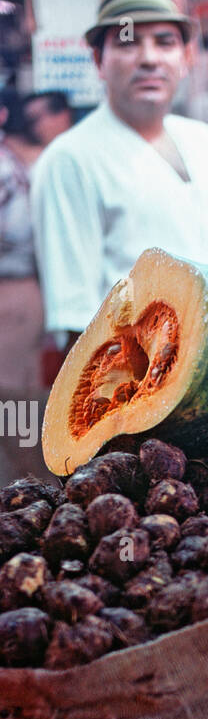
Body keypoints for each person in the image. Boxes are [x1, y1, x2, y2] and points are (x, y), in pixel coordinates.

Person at [31, 0, 208, 356]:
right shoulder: (69, 160)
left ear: (186, 56)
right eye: (128, 43)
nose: (149, 59)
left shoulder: (206, 142)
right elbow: (76, 321)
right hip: (145, 382)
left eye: (164, 42)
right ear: (98, 59)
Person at [0, 88, 46, 483]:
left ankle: (31, 487)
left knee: (13, 394)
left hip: (11, 291)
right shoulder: (14, 160)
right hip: (21, 291)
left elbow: (11, 229)